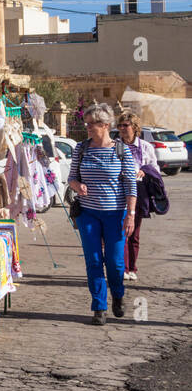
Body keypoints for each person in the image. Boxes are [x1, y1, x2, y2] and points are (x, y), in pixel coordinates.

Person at [68, 103, 136, 325]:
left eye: (92, 124)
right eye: (86, 123)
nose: (87, 127)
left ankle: (117, 294)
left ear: (105, 125)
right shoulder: (81, 148)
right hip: (88, 213)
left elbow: (130, 185)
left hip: (115, 214)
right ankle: (99, 307)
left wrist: (131, 214)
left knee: (115, 263)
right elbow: (71, 177)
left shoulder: (121, 149)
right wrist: (77, 186)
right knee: (94, 260)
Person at [116, 111, 156, 281]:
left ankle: (132, 268)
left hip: (139, 193)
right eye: (120, 126)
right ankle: (123, 268)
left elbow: (155, 169)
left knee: (134, 233)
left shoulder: (146, 147)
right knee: (122, 233)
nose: (122, 129)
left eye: (126, 125)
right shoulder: (115, 145)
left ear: (135, 127)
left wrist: (144, 171)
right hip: (119, 193)